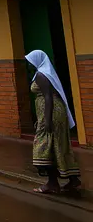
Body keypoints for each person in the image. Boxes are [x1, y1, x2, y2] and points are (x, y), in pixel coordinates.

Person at [26, 50, 82, 194]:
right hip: (53, 112)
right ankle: (73, 179)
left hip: (51, 114)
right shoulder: (45, 72)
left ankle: (52, 184)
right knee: (59, 144)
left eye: (31, 61)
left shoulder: (41, 74)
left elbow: (48, 97)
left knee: (44, 147)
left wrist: (47, 120)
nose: (29, 64)